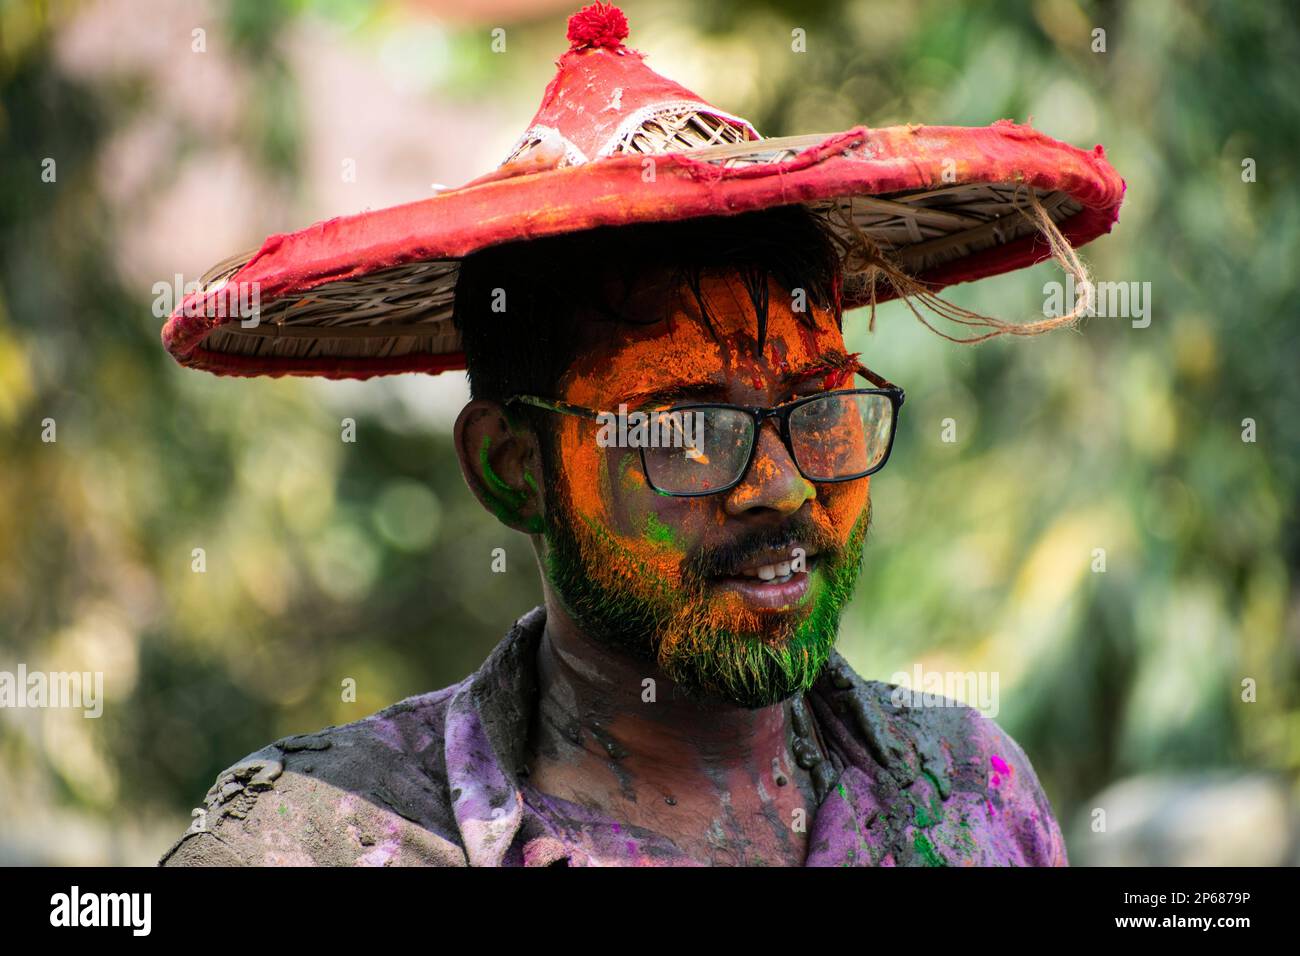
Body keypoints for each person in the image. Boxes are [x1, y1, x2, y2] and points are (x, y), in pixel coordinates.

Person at [159, 3, 1124, 866]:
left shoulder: (968, 795)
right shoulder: (321, 841)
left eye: (821, 406)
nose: (782, 488)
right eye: (692, 428)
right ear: (512, 468)